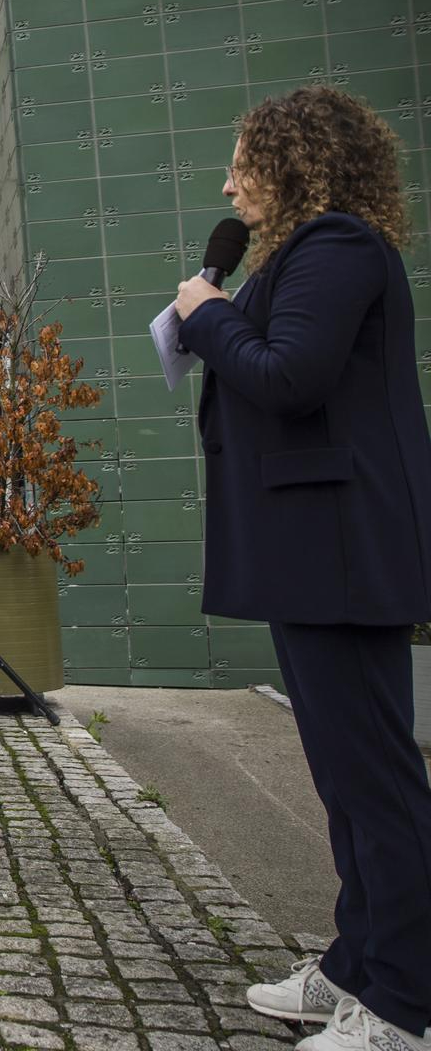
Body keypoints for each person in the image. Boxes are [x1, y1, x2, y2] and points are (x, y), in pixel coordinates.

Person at [176, 86, 431, 1051]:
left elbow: (288, 376)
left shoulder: (339, 248)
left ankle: (406, 1003)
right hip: (312, 549)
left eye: (244, 163)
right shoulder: (310, 254)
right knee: (341, 769)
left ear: (296, 164)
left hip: (342, 547)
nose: (229, 181)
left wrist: (204, 313)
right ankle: (356, 965)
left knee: (374, 777)